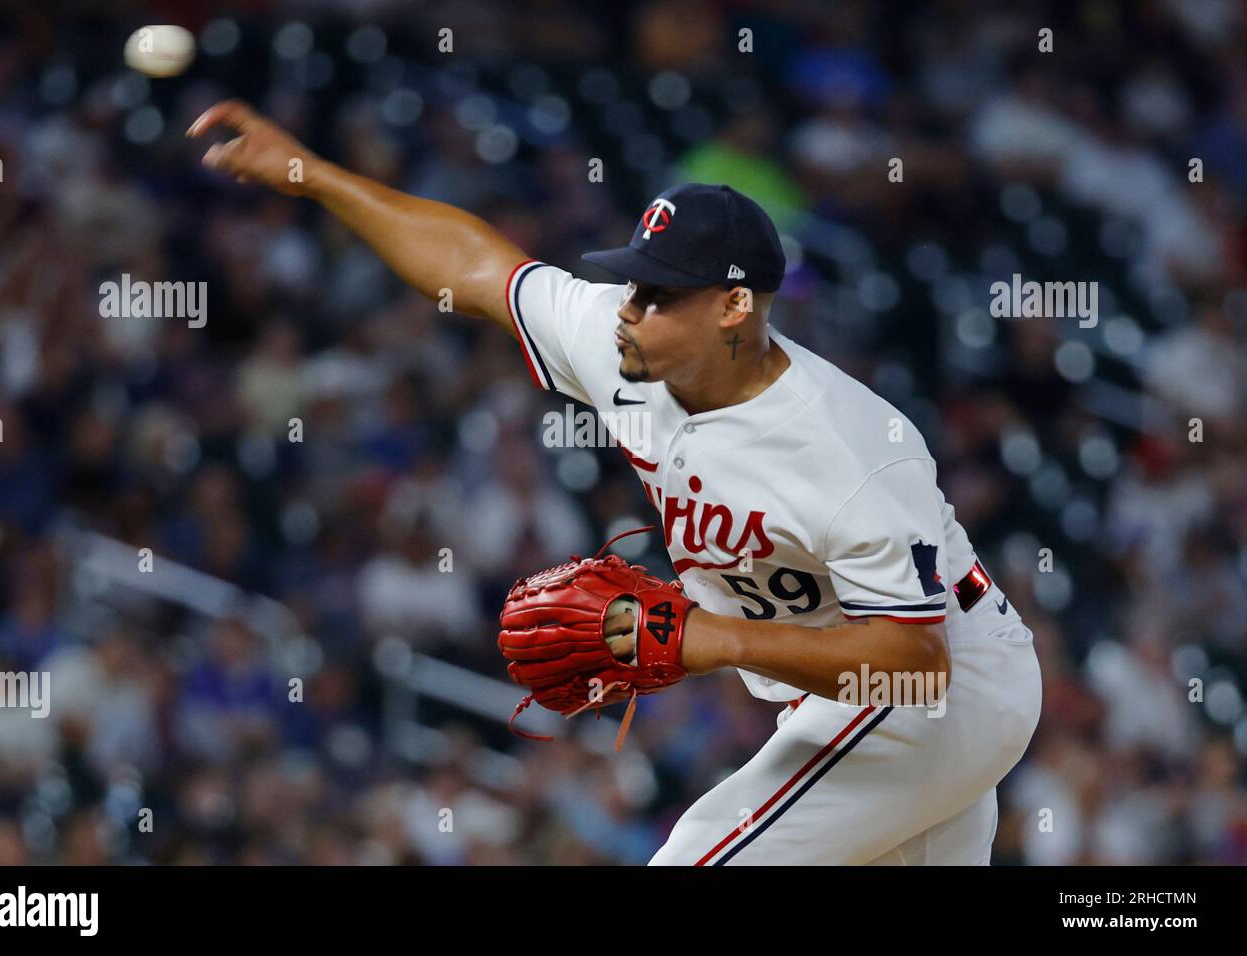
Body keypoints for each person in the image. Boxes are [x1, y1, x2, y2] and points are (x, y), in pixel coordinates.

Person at [187, 100, 1042, 865]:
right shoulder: (622, 343)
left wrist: (718, 639)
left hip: (944, 689)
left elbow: (915, 668)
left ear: (734, 309)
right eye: (633, 281)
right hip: (876, 696)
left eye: (660, 294)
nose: (629, 307)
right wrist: (315, 176)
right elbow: (478, 271)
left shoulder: (852, 450)